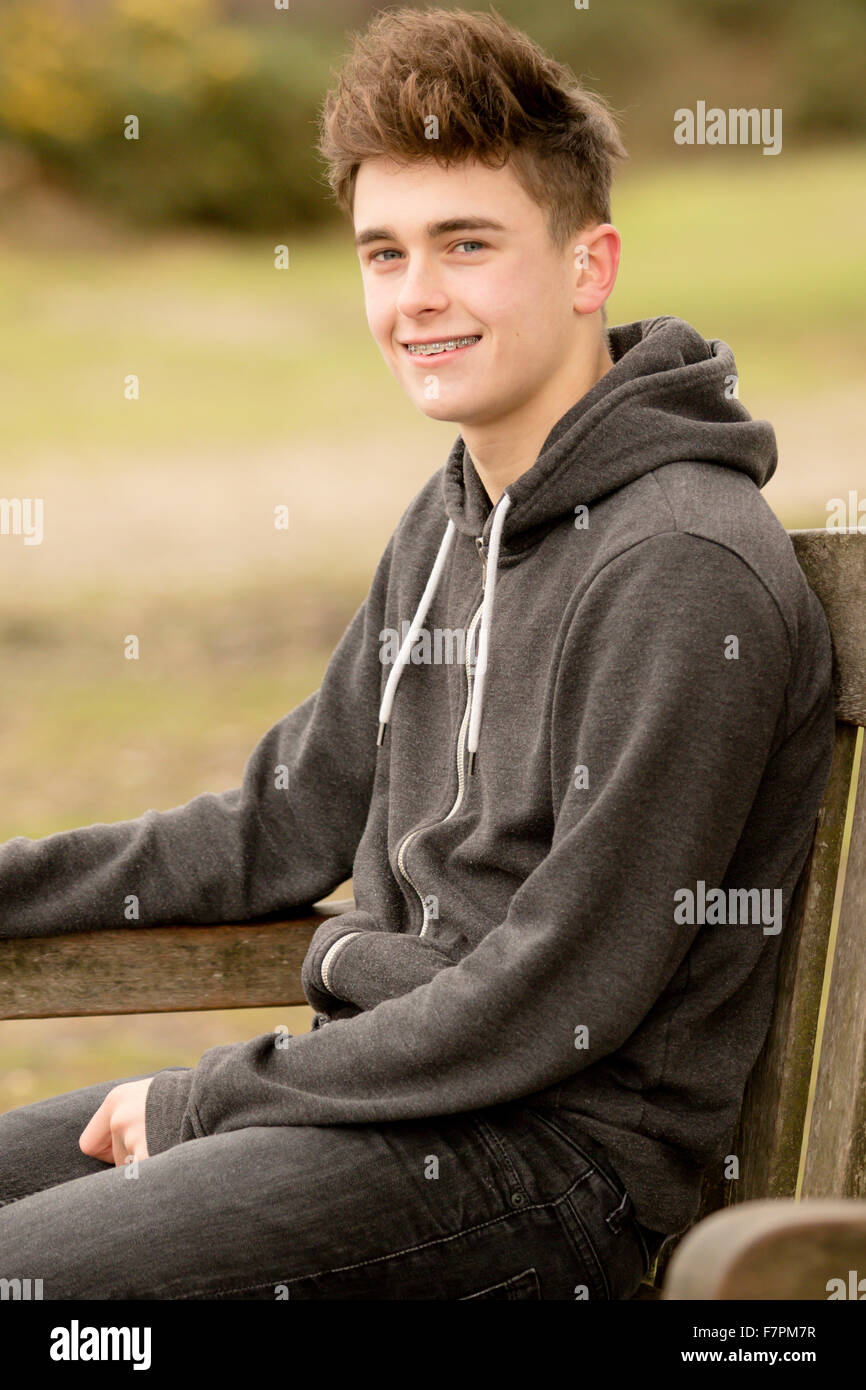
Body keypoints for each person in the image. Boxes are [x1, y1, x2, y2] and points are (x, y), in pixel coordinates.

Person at [0, 6, 835, 1300]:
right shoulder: (451, 516)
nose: (416, 296)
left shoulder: (680, 563)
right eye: (383, 253)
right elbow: (274, 832)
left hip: (560, 1167)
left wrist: (215, 1093)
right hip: (379, 1102)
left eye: (466, 244)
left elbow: (563, 981)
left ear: (586, 263)